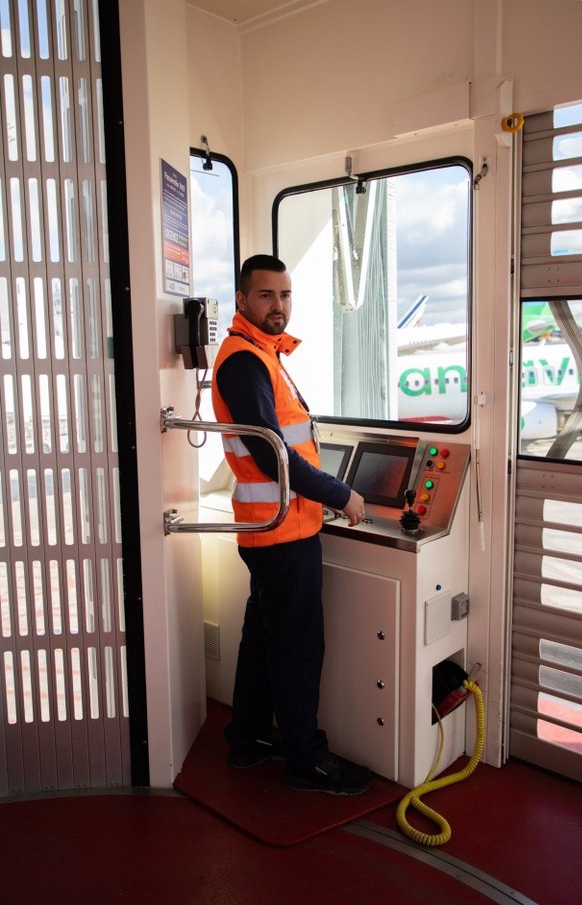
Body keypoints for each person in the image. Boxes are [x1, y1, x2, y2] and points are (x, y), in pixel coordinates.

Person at [211, 253, 373, 796]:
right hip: (282, 532)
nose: (277, 305)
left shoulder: (263, 352)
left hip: (274, 527)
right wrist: (341, 494)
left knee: (263, 639)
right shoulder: (244, 360)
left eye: (284, 295)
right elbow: (271, 453)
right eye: (265, 295)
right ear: (242, 300)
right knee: (298, 648)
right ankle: (307, 760)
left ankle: (249, 737)